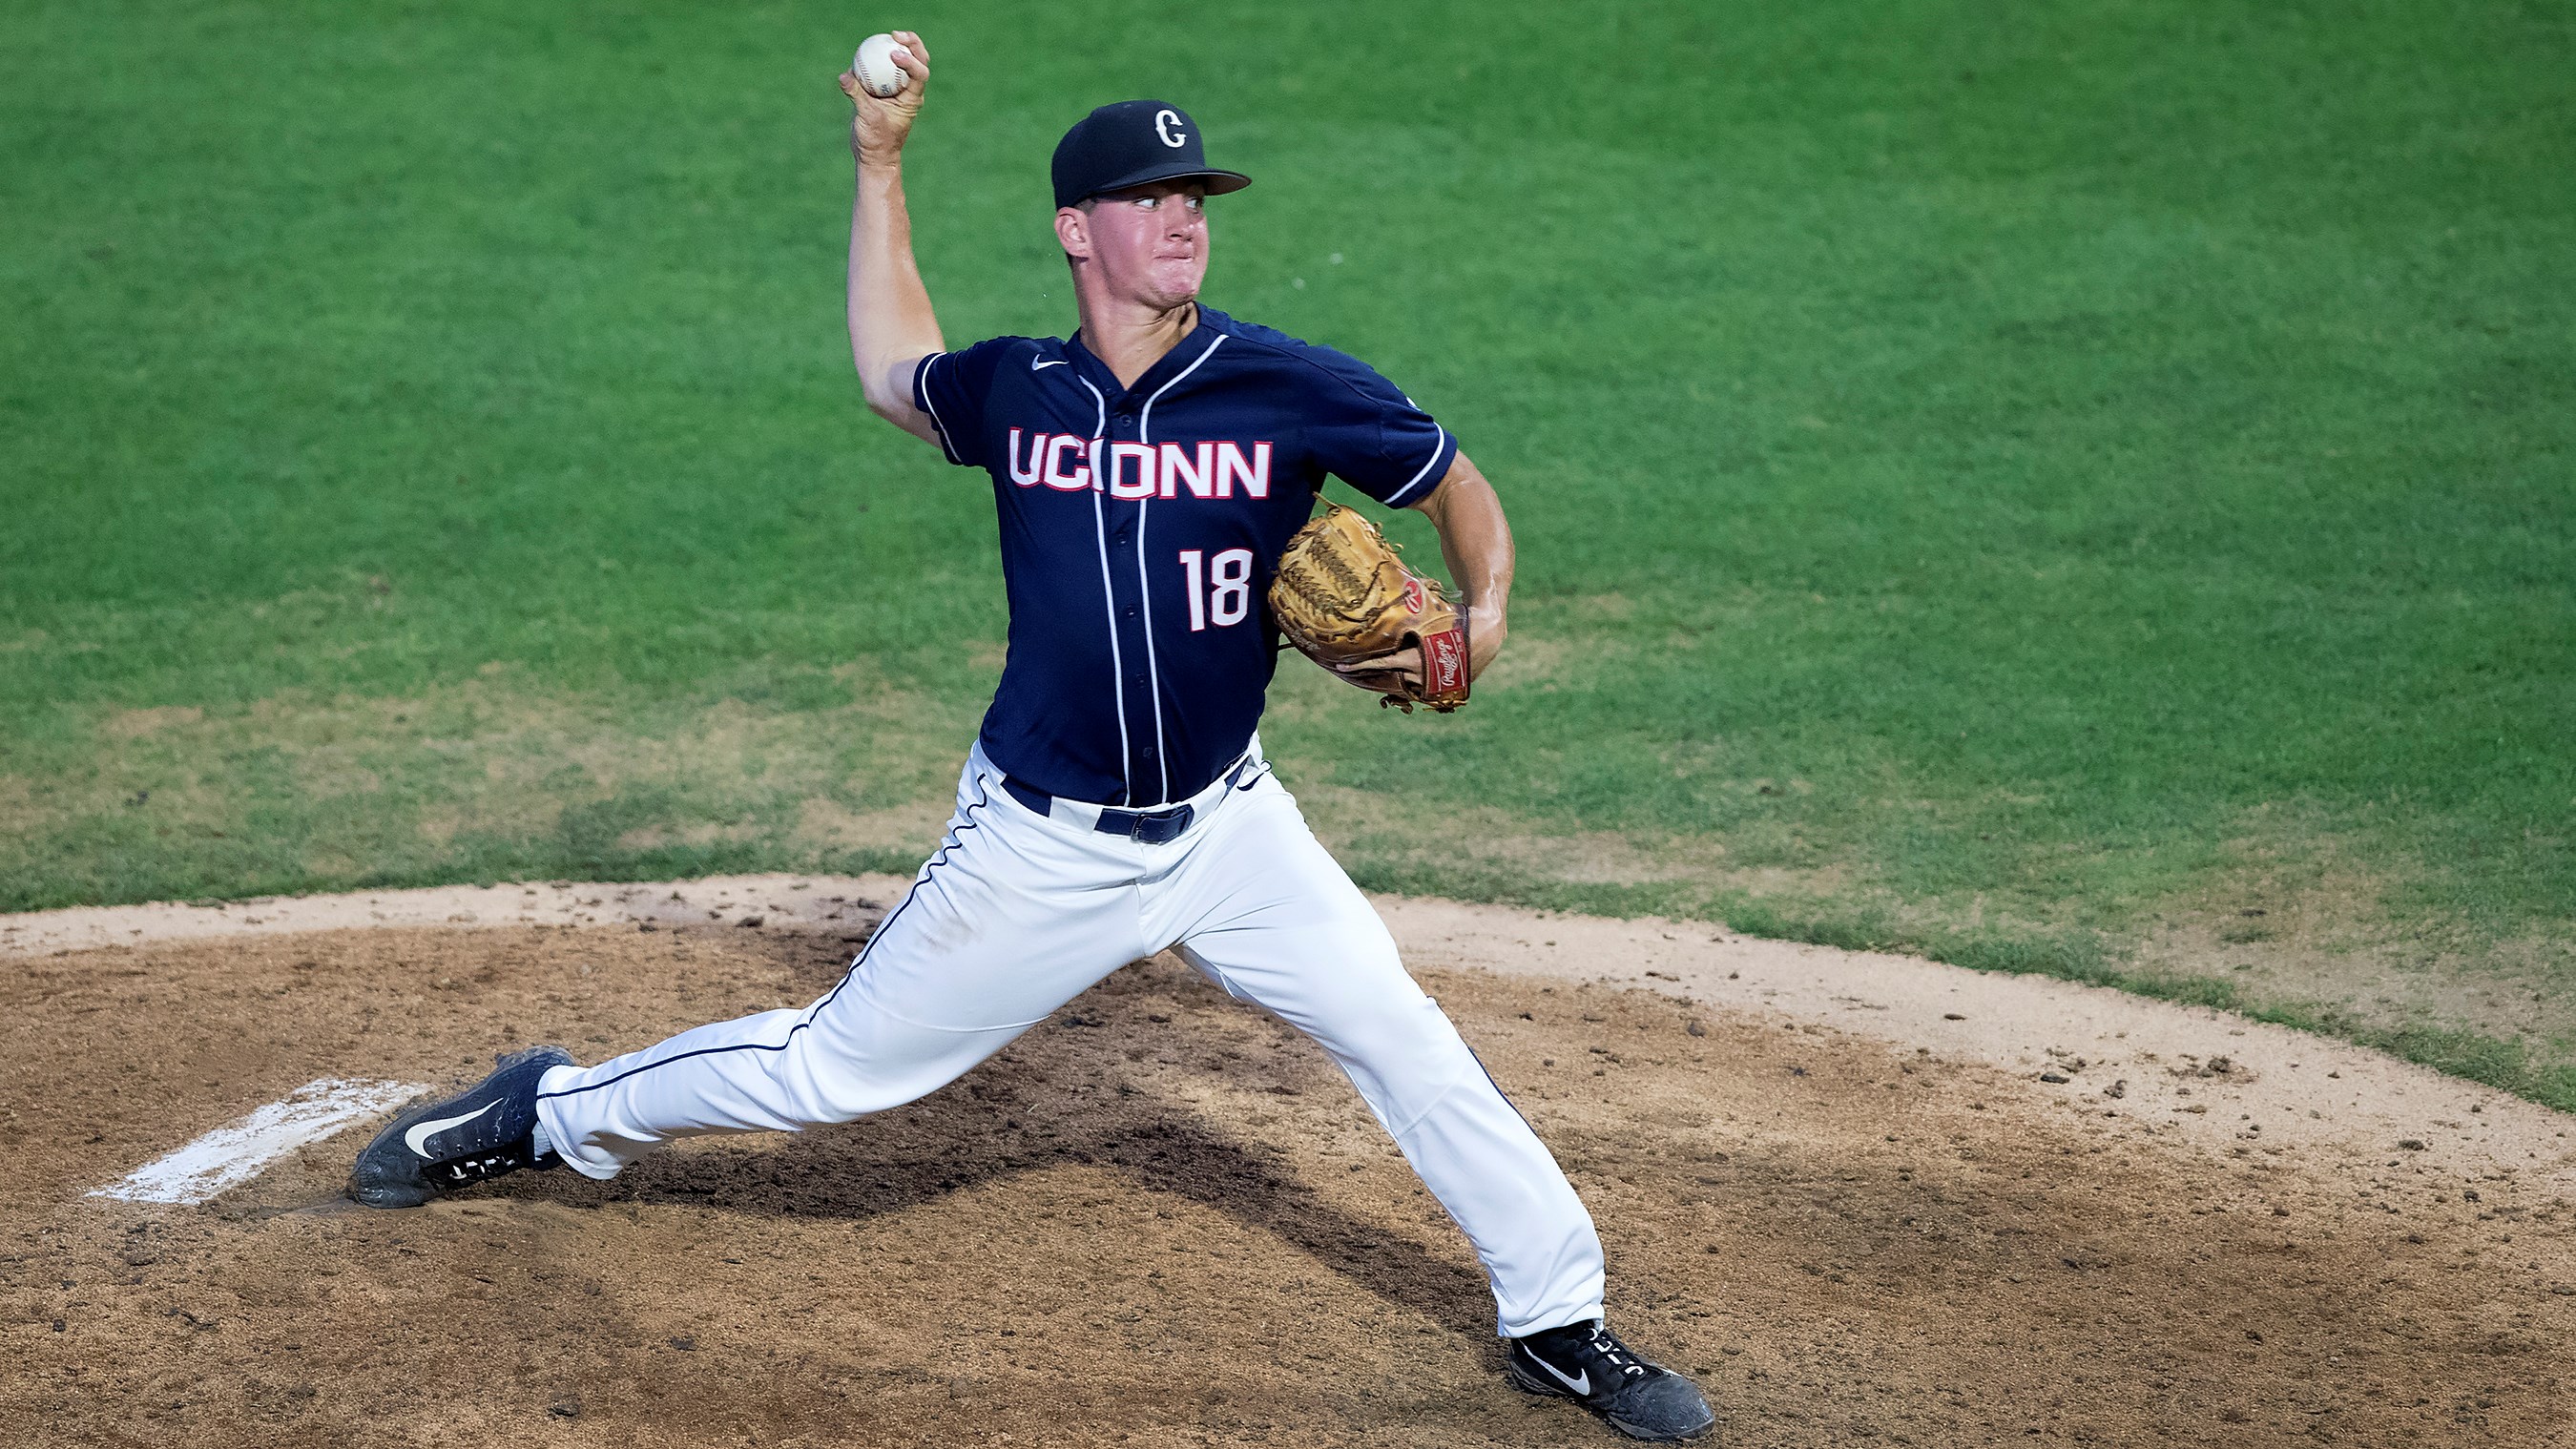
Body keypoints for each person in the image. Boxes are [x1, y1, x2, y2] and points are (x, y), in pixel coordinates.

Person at [349, 31, 1714, 1442]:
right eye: (1152, 196)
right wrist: (880, 163)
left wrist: (1482, 616)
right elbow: (895, 369)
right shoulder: (1021, 395)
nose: (1186, 215)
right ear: (1079, 230)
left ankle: (1559, 1323)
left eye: (1199, 196)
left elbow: (1454, 480)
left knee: (1403, 1036)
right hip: (1039, 846)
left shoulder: (1286, 387)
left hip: (1232, 830)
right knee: (829, 1073)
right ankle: (550, 1111)